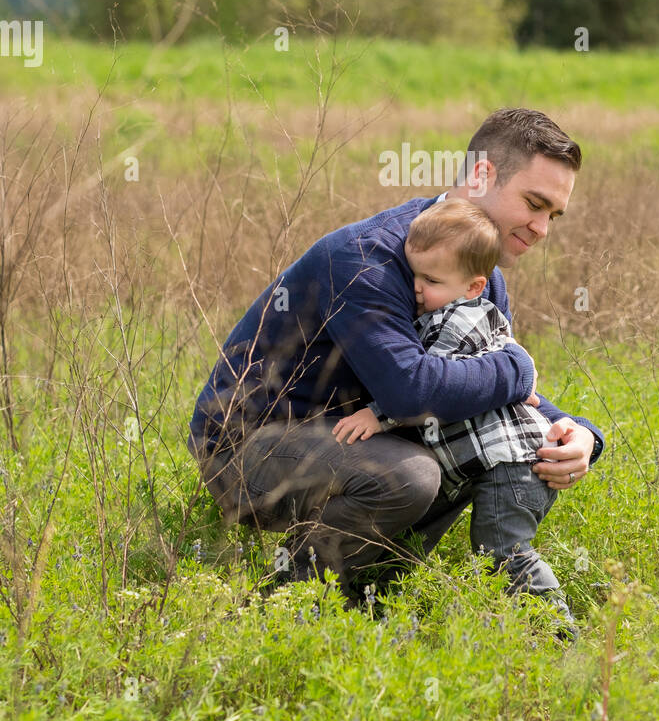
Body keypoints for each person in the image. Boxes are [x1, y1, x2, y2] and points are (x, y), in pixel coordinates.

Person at [186, 108, 605, 609]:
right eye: (534, 204)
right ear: (481, 175)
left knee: (495, 444)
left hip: (351, 441)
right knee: (413, 474)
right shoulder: (368, 256)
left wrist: (576, 431)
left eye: (552, 215)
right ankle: (289, 599)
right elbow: (412, 390)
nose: (542, 228)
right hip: (248, 447)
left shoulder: (477, 269)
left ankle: (371, 595)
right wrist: (520, 369)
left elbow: (478, 378)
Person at [331, 198, 579, 630]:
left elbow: (431, 387)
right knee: (483, 549)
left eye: (431, 279)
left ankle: (558, 634)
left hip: (512, 468)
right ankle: (373, 603)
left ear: (473, 286)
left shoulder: (459, 320)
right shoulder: (452, 308)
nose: (417, 289)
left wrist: (377, 415)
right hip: (498, 464)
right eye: (415, 276)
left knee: (504, 552)